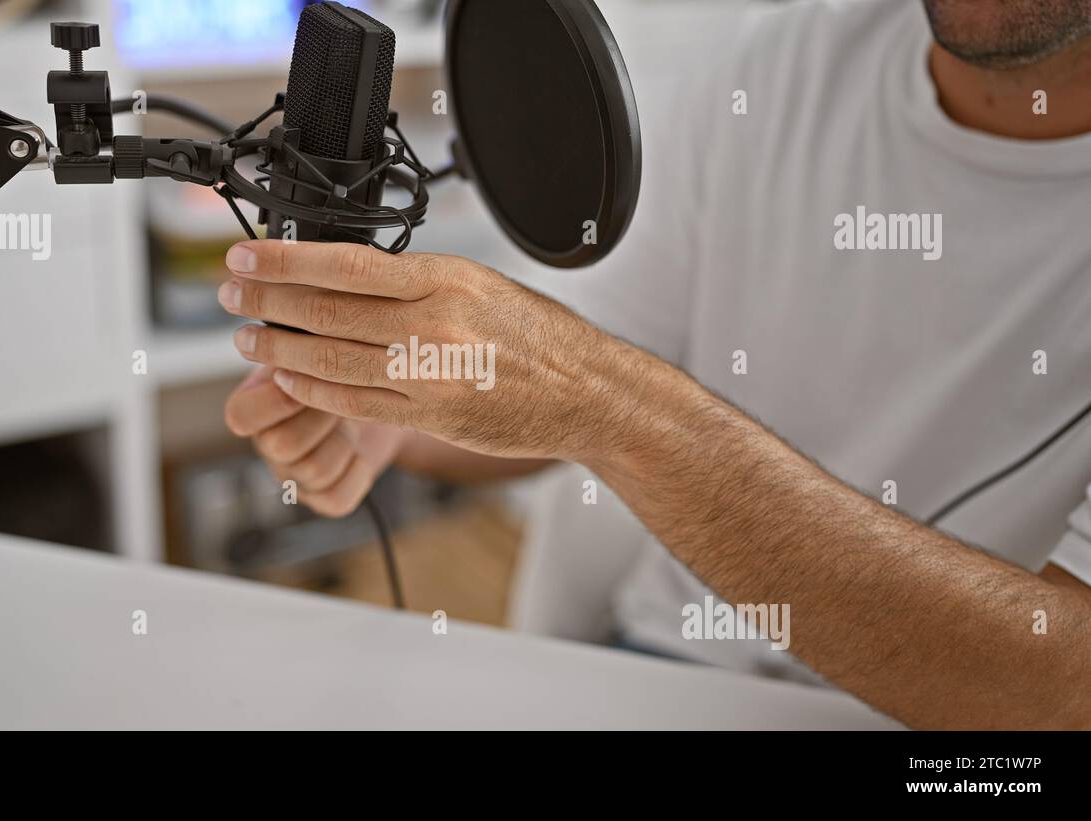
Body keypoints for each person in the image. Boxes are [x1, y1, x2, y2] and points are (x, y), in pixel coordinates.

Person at [217, 0, 1091, 729]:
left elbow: (1062, 683)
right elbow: (570, 382)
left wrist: (608, 406)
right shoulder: (782, 65)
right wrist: (393, 413)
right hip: (660, 665)